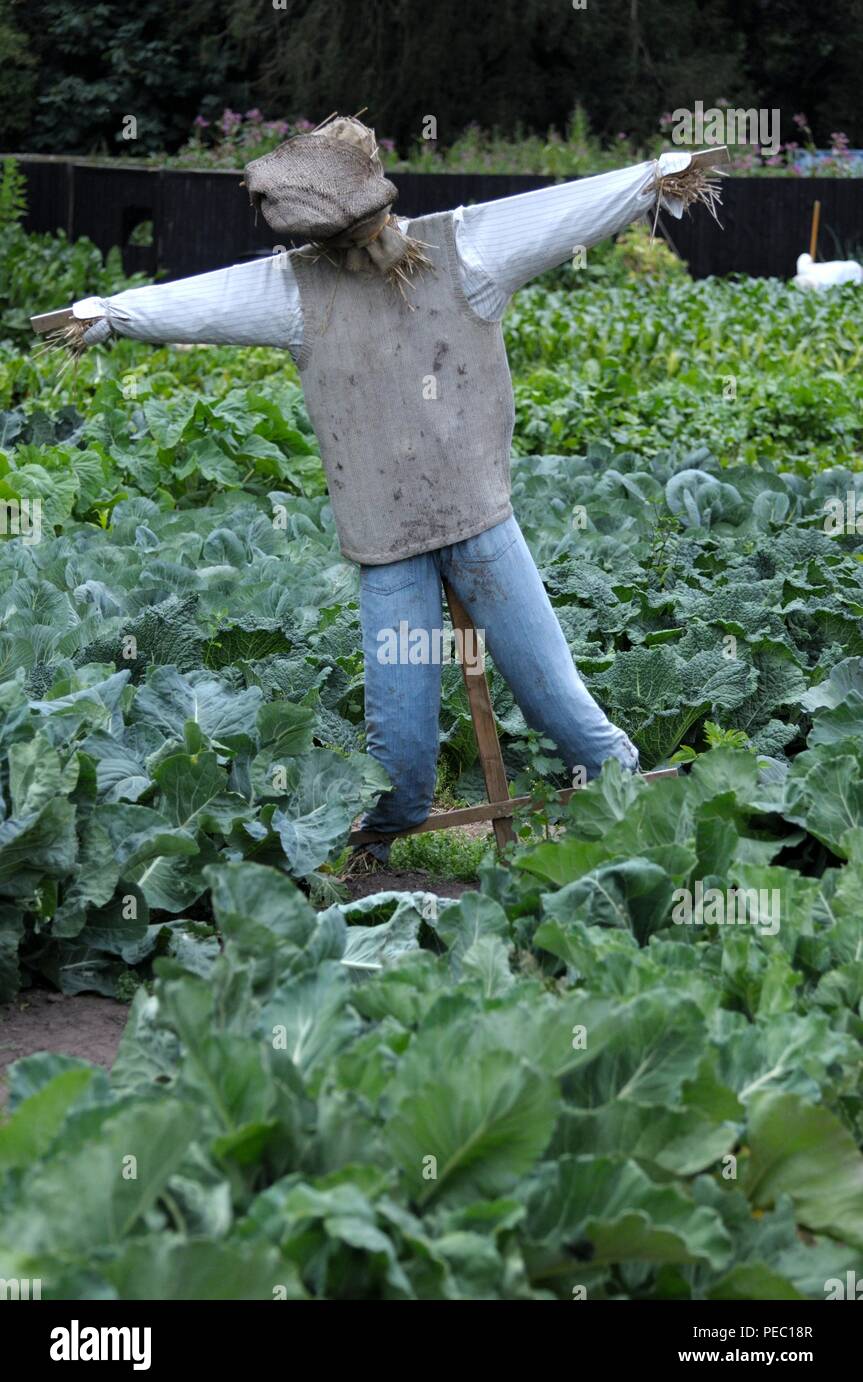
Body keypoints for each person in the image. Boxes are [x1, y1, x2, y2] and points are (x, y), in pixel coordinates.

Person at [70, 116, 720, 864]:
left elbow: (558, 211)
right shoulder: (295, 289)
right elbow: (201, 301)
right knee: (400, 731)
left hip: (478, 519)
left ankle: (621, 787)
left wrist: (647, 179)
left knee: (551, 694)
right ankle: (388, 827)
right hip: (385, 539)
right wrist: (110, 315)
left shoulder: (463, 248)